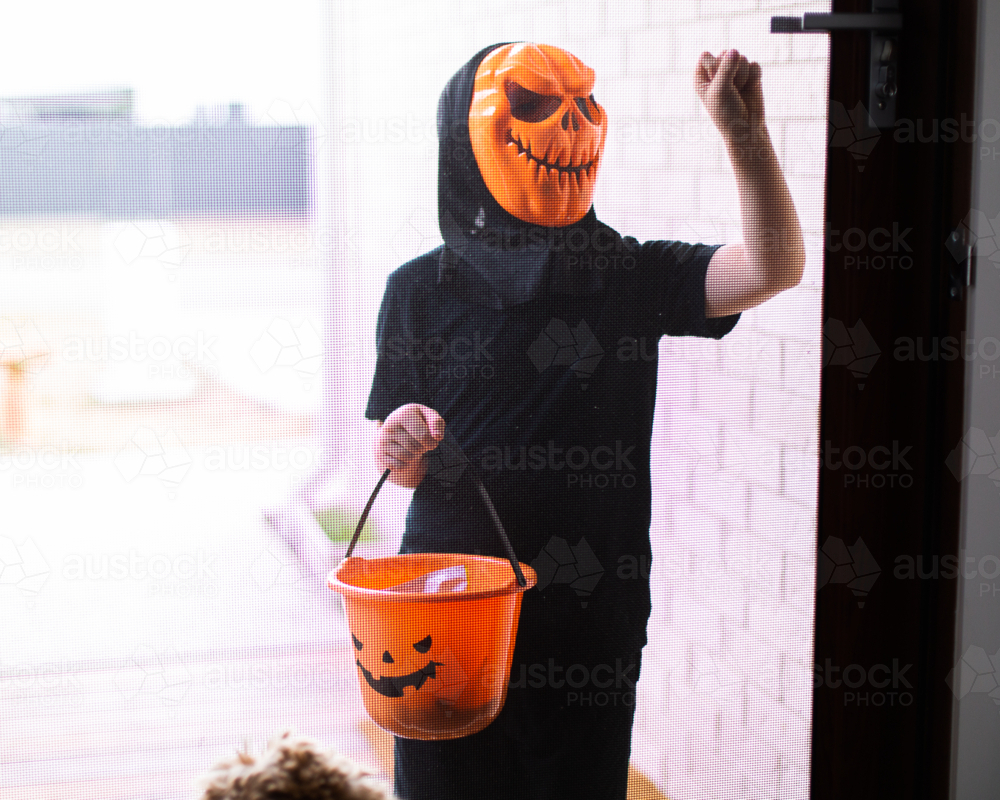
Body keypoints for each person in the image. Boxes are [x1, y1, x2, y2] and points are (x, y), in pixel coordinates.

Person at [366, 42, 804, 800]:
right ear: (466, 138)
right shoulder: (418, 289)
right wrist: (399, 436)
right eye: (534, 103)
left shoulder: (628, 274)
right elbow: (402, 468)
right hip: (447, 612)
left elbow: (773, 266)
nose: (569, 125)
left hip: (588, 610)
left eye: (584, 104)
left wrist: (745, 138)